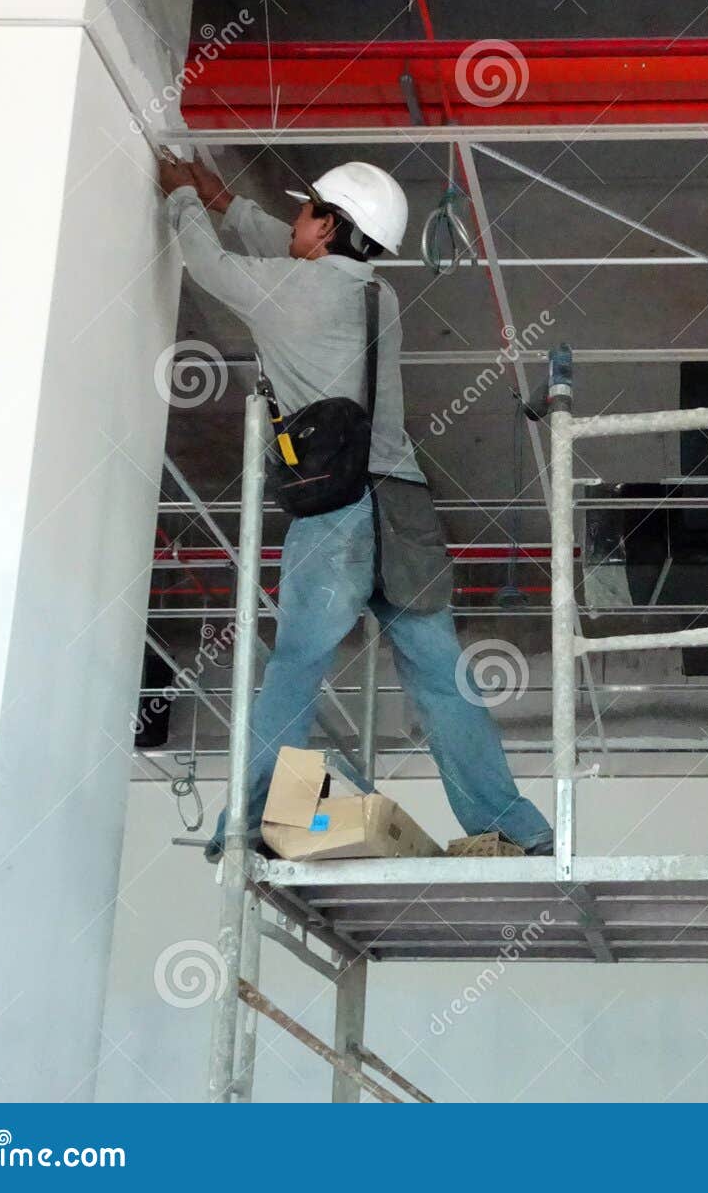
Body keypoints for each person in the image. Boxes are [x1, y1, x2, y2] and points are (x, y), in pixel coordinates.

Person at [155, 156, 554, 860]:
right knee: (441, 679)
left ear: (329, 225)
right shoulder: (378, 295)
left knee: (296, 667)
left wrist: (185, 195)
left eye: (307, 210)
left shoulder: (286, 290)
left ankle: (249, 820)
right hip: (404, 507)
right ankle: (515, 829)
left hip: (337, 515)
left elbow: (206, 263)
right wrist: (231, 203)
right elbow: (303, 248)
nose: (296, 220)